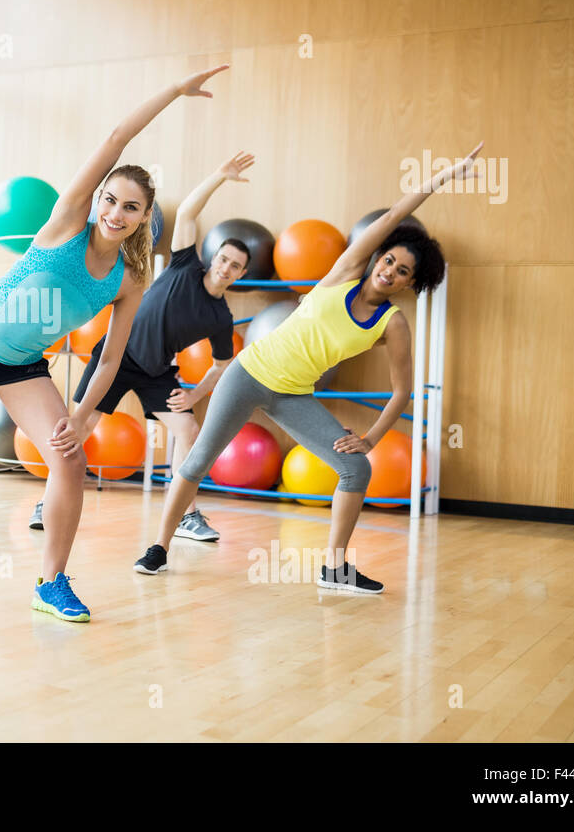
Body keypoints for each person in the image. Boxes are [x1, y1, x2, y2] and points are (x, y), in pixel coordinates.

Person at [0, 64, 230, 622]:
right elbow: (115, 139)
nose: (115, 213)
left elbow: (112, 357)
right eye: (110, 200)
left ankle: (51, 582)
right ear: (97, 199)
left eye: (131, 207)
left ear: (146, 217)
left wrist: (79, 416)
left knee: (70, 461)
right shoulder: (68, 221)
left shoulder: (129, 278)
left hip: (21, 363)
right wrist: (173, 91)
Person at [134, 142, 483, 593]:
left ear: (410, 283)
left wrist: (371, 438)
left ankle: (335, 568)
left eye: (402, 272)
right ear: (378, 257)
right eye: (389, 260)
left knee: (357, 469)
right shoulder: (347, 270)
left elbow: (402, 391)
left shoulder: (392, 324)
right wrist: (443, 177)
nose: (390, 271)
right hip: (249, 373)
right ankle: (159, 547)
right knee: (198, 459)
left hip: (293, 395)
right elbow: (395, 215)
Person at [27, 152, 255, 540]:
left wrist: (194, 394)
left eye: (235, 266)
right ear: (213, 257)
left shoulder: (221, 317)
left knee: (188, 428)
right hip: (115, 356)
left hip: (156, 371)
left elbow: (221, 364)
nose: (226, 268)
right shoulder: (185, 265)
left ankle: (185, 515)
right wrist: (220, 174)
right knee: (81, 425)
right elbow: (188, 211)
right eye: (223, 259)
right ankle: (47, 502)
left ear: (242, 274)